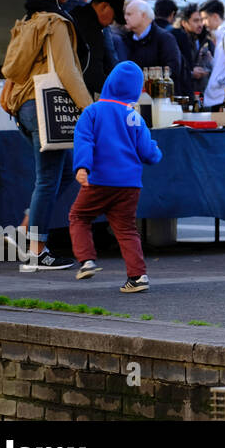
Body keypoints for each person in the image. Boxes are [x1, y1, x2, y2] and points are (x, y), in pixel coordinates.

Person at [0, 0, 93, 270]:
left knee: (60, 172)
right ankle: (37, 250)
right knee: (50, 177)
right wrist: (90, 109)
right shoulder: (54, 22)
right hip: (44, 107)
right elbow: (68, 72)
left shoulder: (29, 20)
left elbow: (12, 69)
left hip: (24, 107)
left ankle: (28, 226)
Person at [69, 60, 163, 293]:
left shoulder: (92, 111)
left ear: (109, 82)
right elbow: (149, 153)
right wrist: (156, 149)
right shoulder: (135, 117)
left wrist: (83, 167)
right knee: (127, 229)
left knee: (79, 216)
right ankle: (138, 276)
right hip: (129, 185)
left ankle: (87, 260)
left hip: (99, 180)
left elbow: (84, 140)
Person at [119, 0, 185, 88]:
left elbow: (172, 70)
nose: (125, 18)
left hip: (159, 96)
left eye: (129, 14)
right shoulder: (126, 39)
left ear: (143, 15)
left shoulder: (164, 38)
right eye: (125, 14)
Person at [71, 0, 125, 96]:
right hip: (76, 93)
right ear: (104, 6)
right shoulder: (91, 29)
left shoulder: (74, 15)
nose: (111, 23)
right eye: (113, 17)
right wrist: (118, 90)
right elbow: (92, 73)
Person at [200, 0, 225, 110]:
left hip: (224, 99)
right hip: (221, 98)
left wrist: (217, 83)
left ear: (215, 16)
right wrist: (211, 61)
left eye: (205, 18)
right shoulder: (223, 34)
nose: (203, 23)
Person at [153, 0, 191, 94]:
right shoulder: (179, 34)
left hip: (150, 87)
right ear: (172, 14)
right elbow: (187, 64)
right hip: (173, 89)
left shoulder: (147, 33)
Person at [180, 4, 213, 92]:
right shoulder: (177, 41)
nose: (200, 24)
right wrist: (191, 73)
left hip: (203, 92)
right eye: (195, 21)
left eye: (201, 20)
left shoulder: (205, 39)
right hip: (185, 93)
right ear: (184, 23)